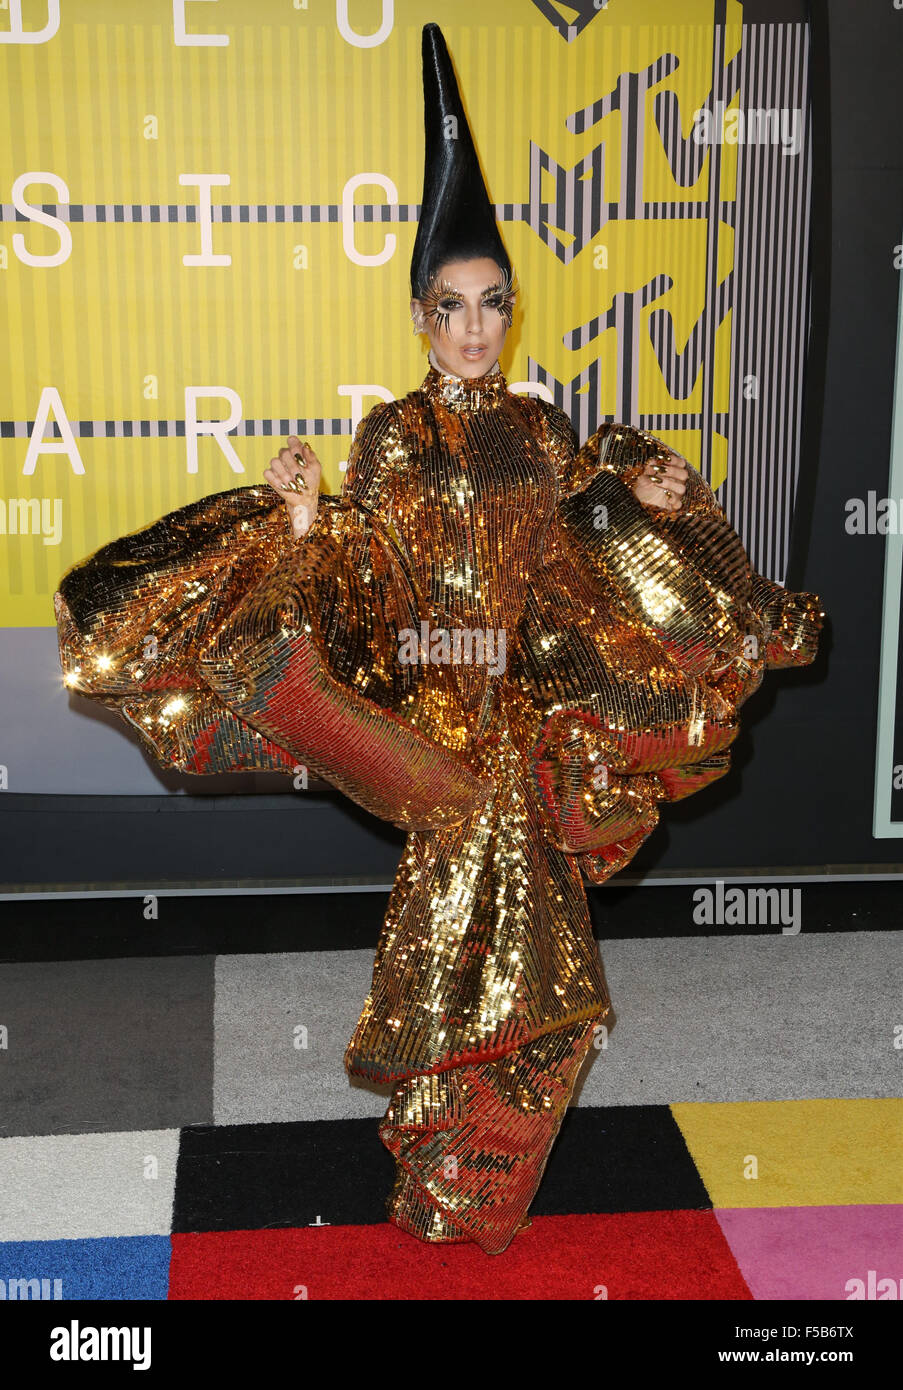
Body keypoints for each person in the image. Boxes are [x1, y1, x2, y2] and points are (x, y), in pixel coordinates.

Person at [54, 23, 824, 1255]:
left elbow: (586, 555)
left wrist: (657, 506)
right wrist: (307, 524)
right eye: (453, 307)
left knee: (512, 943)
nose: (476, 328)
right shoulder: (394, 437)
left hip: (539, 706)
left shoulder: (543, 427)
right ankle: (446, 1156)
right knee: (504, 919)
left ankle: (463, 1175)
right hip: (432, 704)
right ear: (422, 316)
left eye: (493, 305)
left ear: (511, 314)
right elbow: (370, 577)